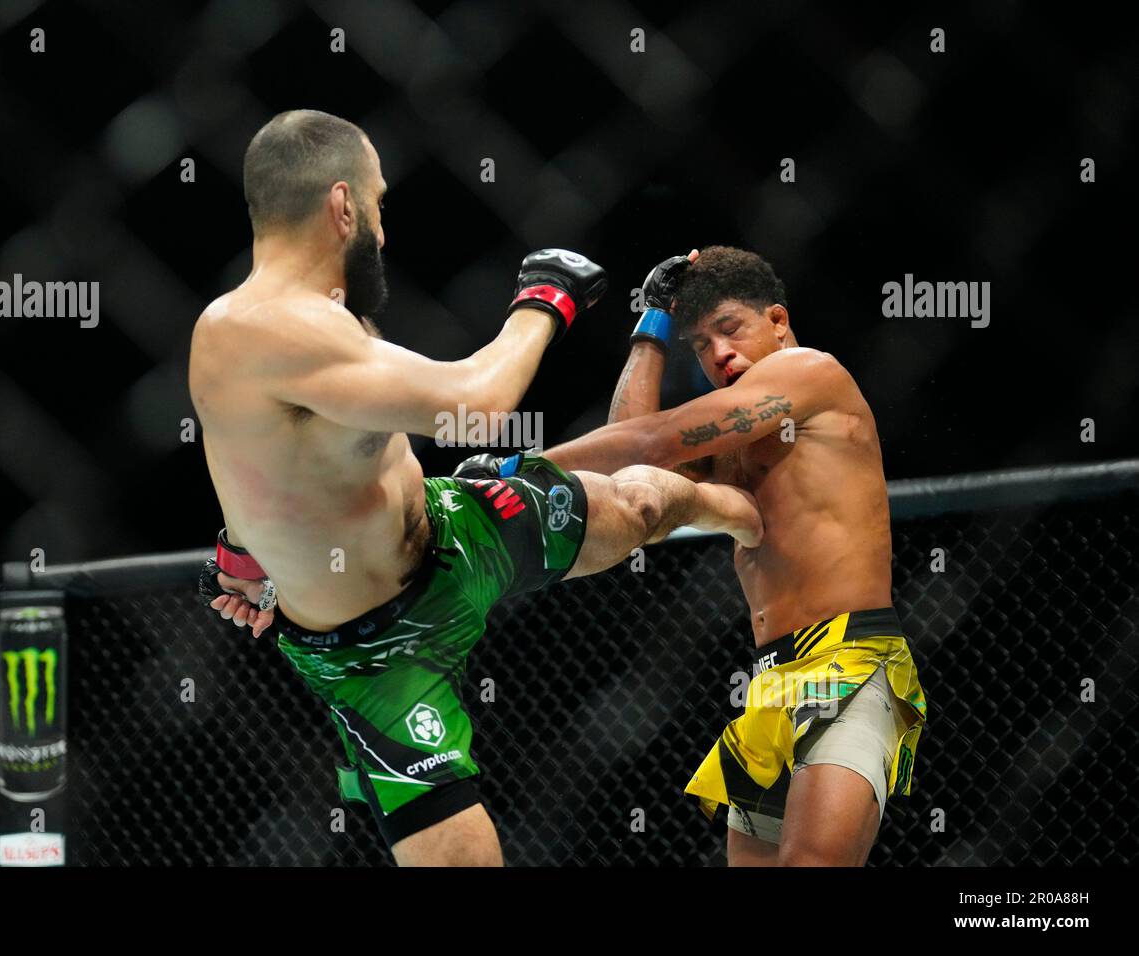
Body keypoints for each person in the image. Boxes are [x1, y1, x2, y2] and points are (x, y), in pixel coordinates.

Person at [190, 110, 763, 866]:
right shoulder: (254, 328)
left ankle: (754, 519)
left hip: (453, 533)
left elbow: (295, 456)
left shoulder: (321, 322)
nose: (383, 234)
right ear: (343, 207)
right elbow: (475, 407)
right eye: (379, 205)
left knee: (640, 504)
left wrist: (247, 545)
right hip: (377, 659)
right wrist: (544, 300)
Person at [539, 245, 929, 866]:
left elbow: (654, 438)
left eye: (731, 330)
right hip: (770, 677)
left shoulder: (811, 372)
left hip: (852, 659)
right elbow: (634, 461)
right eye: (701, 345)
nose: (720, 355)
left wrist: (519, 469)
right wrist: (652, 324)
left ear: (777, 320)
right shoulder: (733, 446)